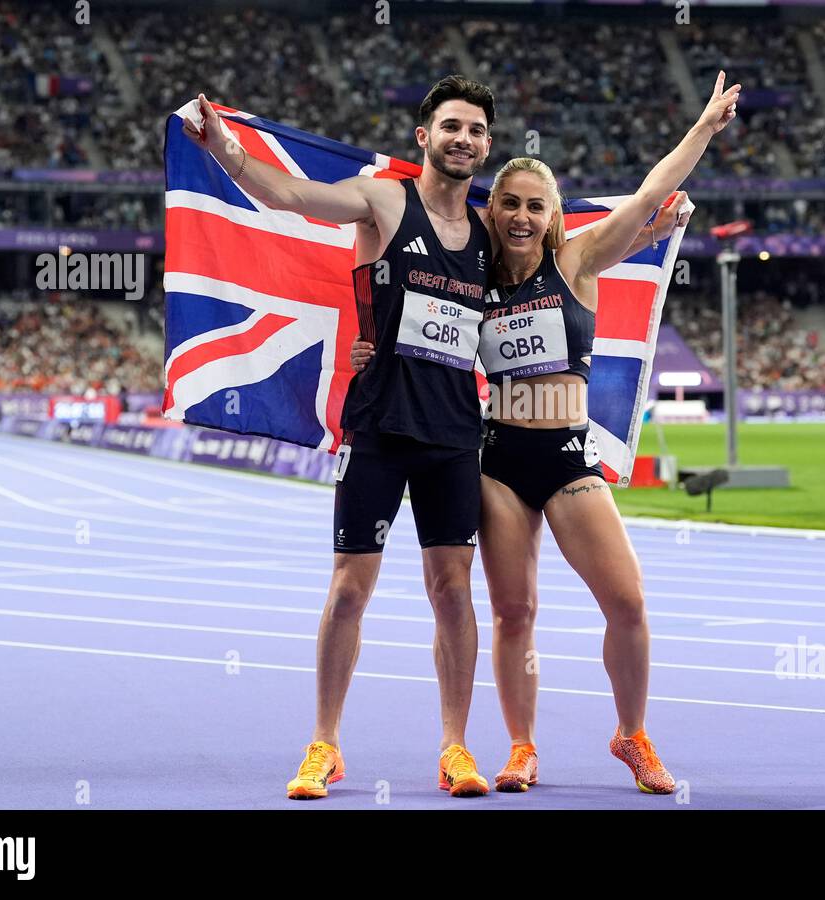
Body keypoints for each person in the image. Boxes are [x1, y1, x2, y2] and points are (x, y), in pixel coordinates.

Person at [184, 75, 679, 799]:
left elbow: (568, 236)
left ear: (485, 144)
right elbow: (290, 197)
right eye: (452, 126)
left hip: (454, 436)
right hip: (379, 425)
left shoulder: (489, 235)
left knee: (453, 593)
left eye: (477, 130)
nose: (464, 139)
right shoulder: (385, 198)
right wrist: (223, 147)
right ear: (425, 135)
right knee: (350, 589)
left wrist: (656, 224)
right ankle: (324, 744)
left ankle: (455, 747)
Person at [353, 73, 738, 793]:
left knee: (626, 602)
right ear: (491, 209)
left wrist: (705, 129)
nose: (523, 216)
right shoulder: (466, 275)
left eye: (536, 206)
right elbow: (404, 316)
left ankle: (631, 734)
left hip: (567, 457)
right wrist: (367, 343)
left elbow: (650, 193)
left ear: (555, 216)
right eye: (510, 204)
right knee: (513, 612)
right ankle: (522, 746)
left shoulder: (578, 261)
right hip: (497, 460)